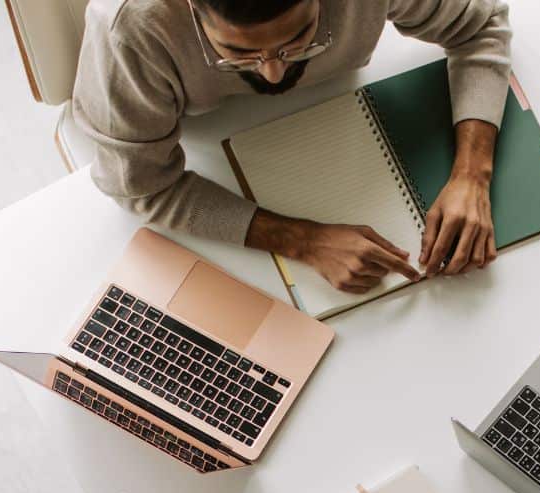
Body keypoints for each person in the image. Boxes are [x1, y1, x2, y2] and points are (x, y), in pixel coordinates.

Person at [71, 0, 512, 294]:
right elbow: (141, 186)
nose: (274, 76)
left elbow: (482, 25)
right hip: (215, 153)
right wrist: (305, 241)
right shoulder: (127, 27)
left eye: (297, 40)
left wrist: (473, 173)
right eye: (238, 53)